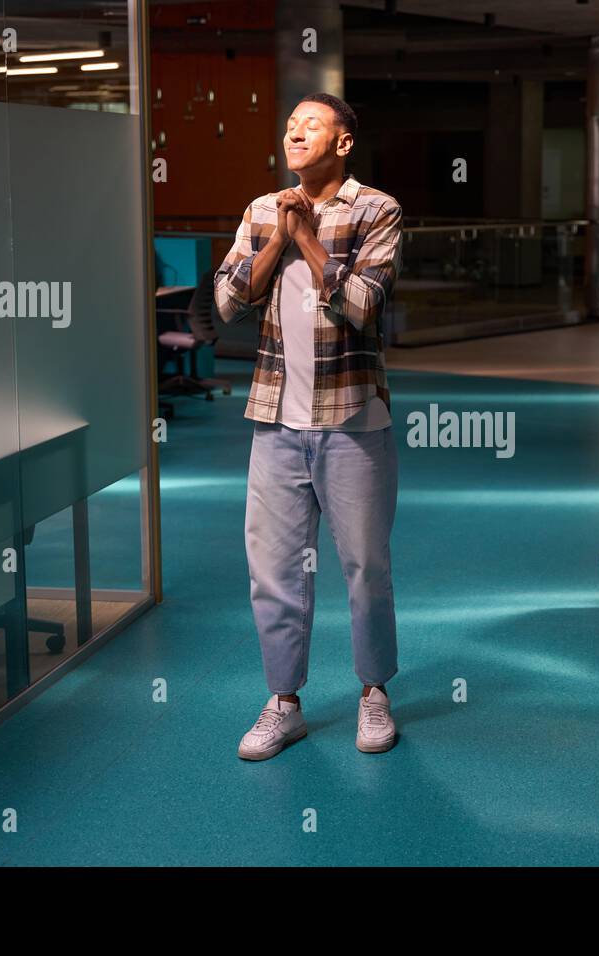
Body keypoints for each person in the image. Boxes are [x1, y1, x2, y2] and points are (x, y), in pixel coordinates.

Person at [214, 92, 403, 760]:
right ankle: (284, 702)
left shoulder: (377, 210)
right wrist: (276, 239)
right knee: (273, 571)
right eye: (291, 126)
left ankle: (374, 692)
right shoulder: (263, 210)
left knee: (364, 567)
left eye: (312, 125)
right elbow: (229, 300)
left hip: (353, 418)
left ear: (344, 141)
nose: (296, 133)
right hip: (275, 421)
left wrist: (305, 239)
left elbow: (361, 304)